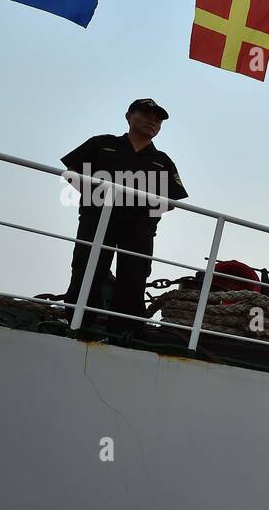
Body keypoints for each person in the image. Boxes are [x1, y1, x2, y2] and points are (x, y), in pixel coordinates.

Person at [62, 98, 188, 337]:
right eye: (146, 115)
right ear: (129, 116)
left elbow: (171, 201)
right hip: (97, 219)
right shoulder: (102, 144)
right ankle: (80, 324)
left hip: (138, 227)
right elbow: (71, 172)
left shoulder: (162, 161)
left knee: (134, 275)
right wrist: (95, 196)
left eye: (158, 119)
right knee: (87, 267)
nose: (153, 121)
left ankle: (125, 332)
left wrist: (146, 213)